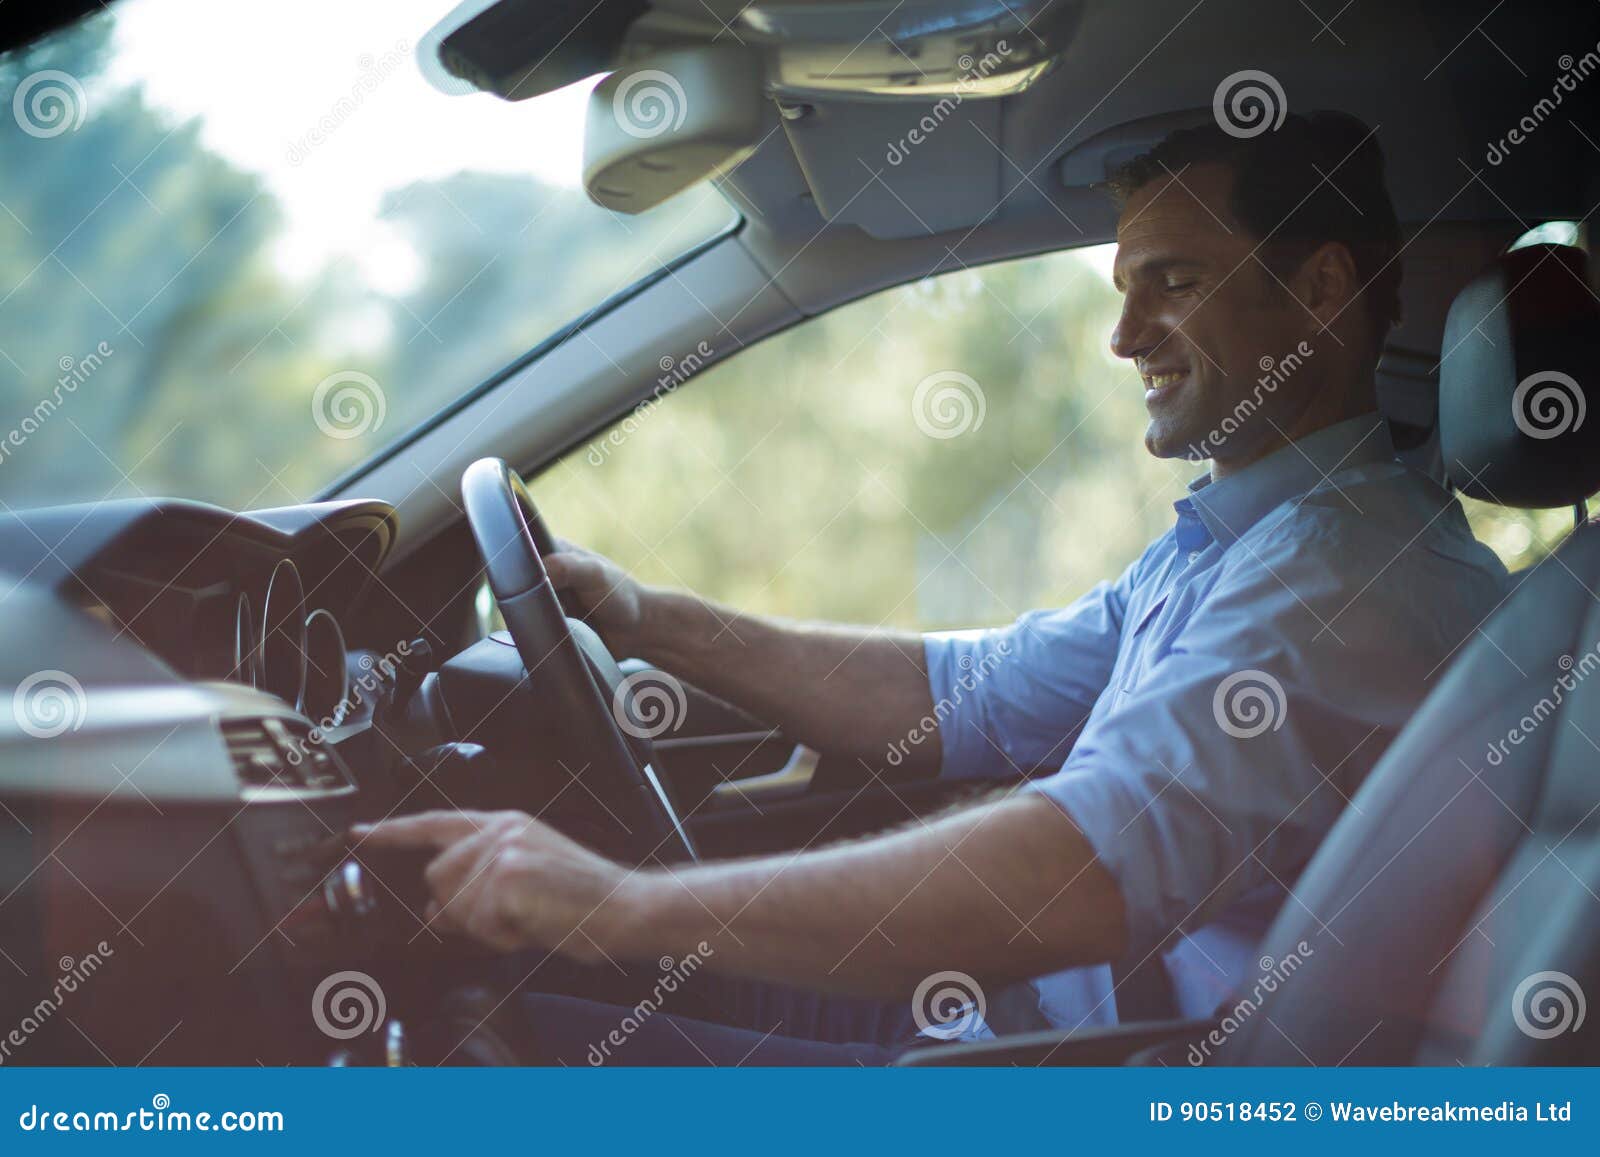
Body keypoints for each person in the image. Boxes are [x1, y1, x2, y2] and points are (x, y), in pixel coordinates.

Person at [355, 112, 1509, 1064]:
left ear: (1317, 291)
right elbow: (964, 692)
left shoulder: (1342, 581)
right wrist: (648, 616)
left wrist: (614, 904)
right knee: (517, 999)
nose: (1121, 337)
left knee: (484, 1048)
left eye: (1173, 281)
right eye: (1123, 286)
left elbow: (1077, 864)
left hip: (1072, 1072)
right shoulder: (1233, 542)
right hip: (1004, 1025)